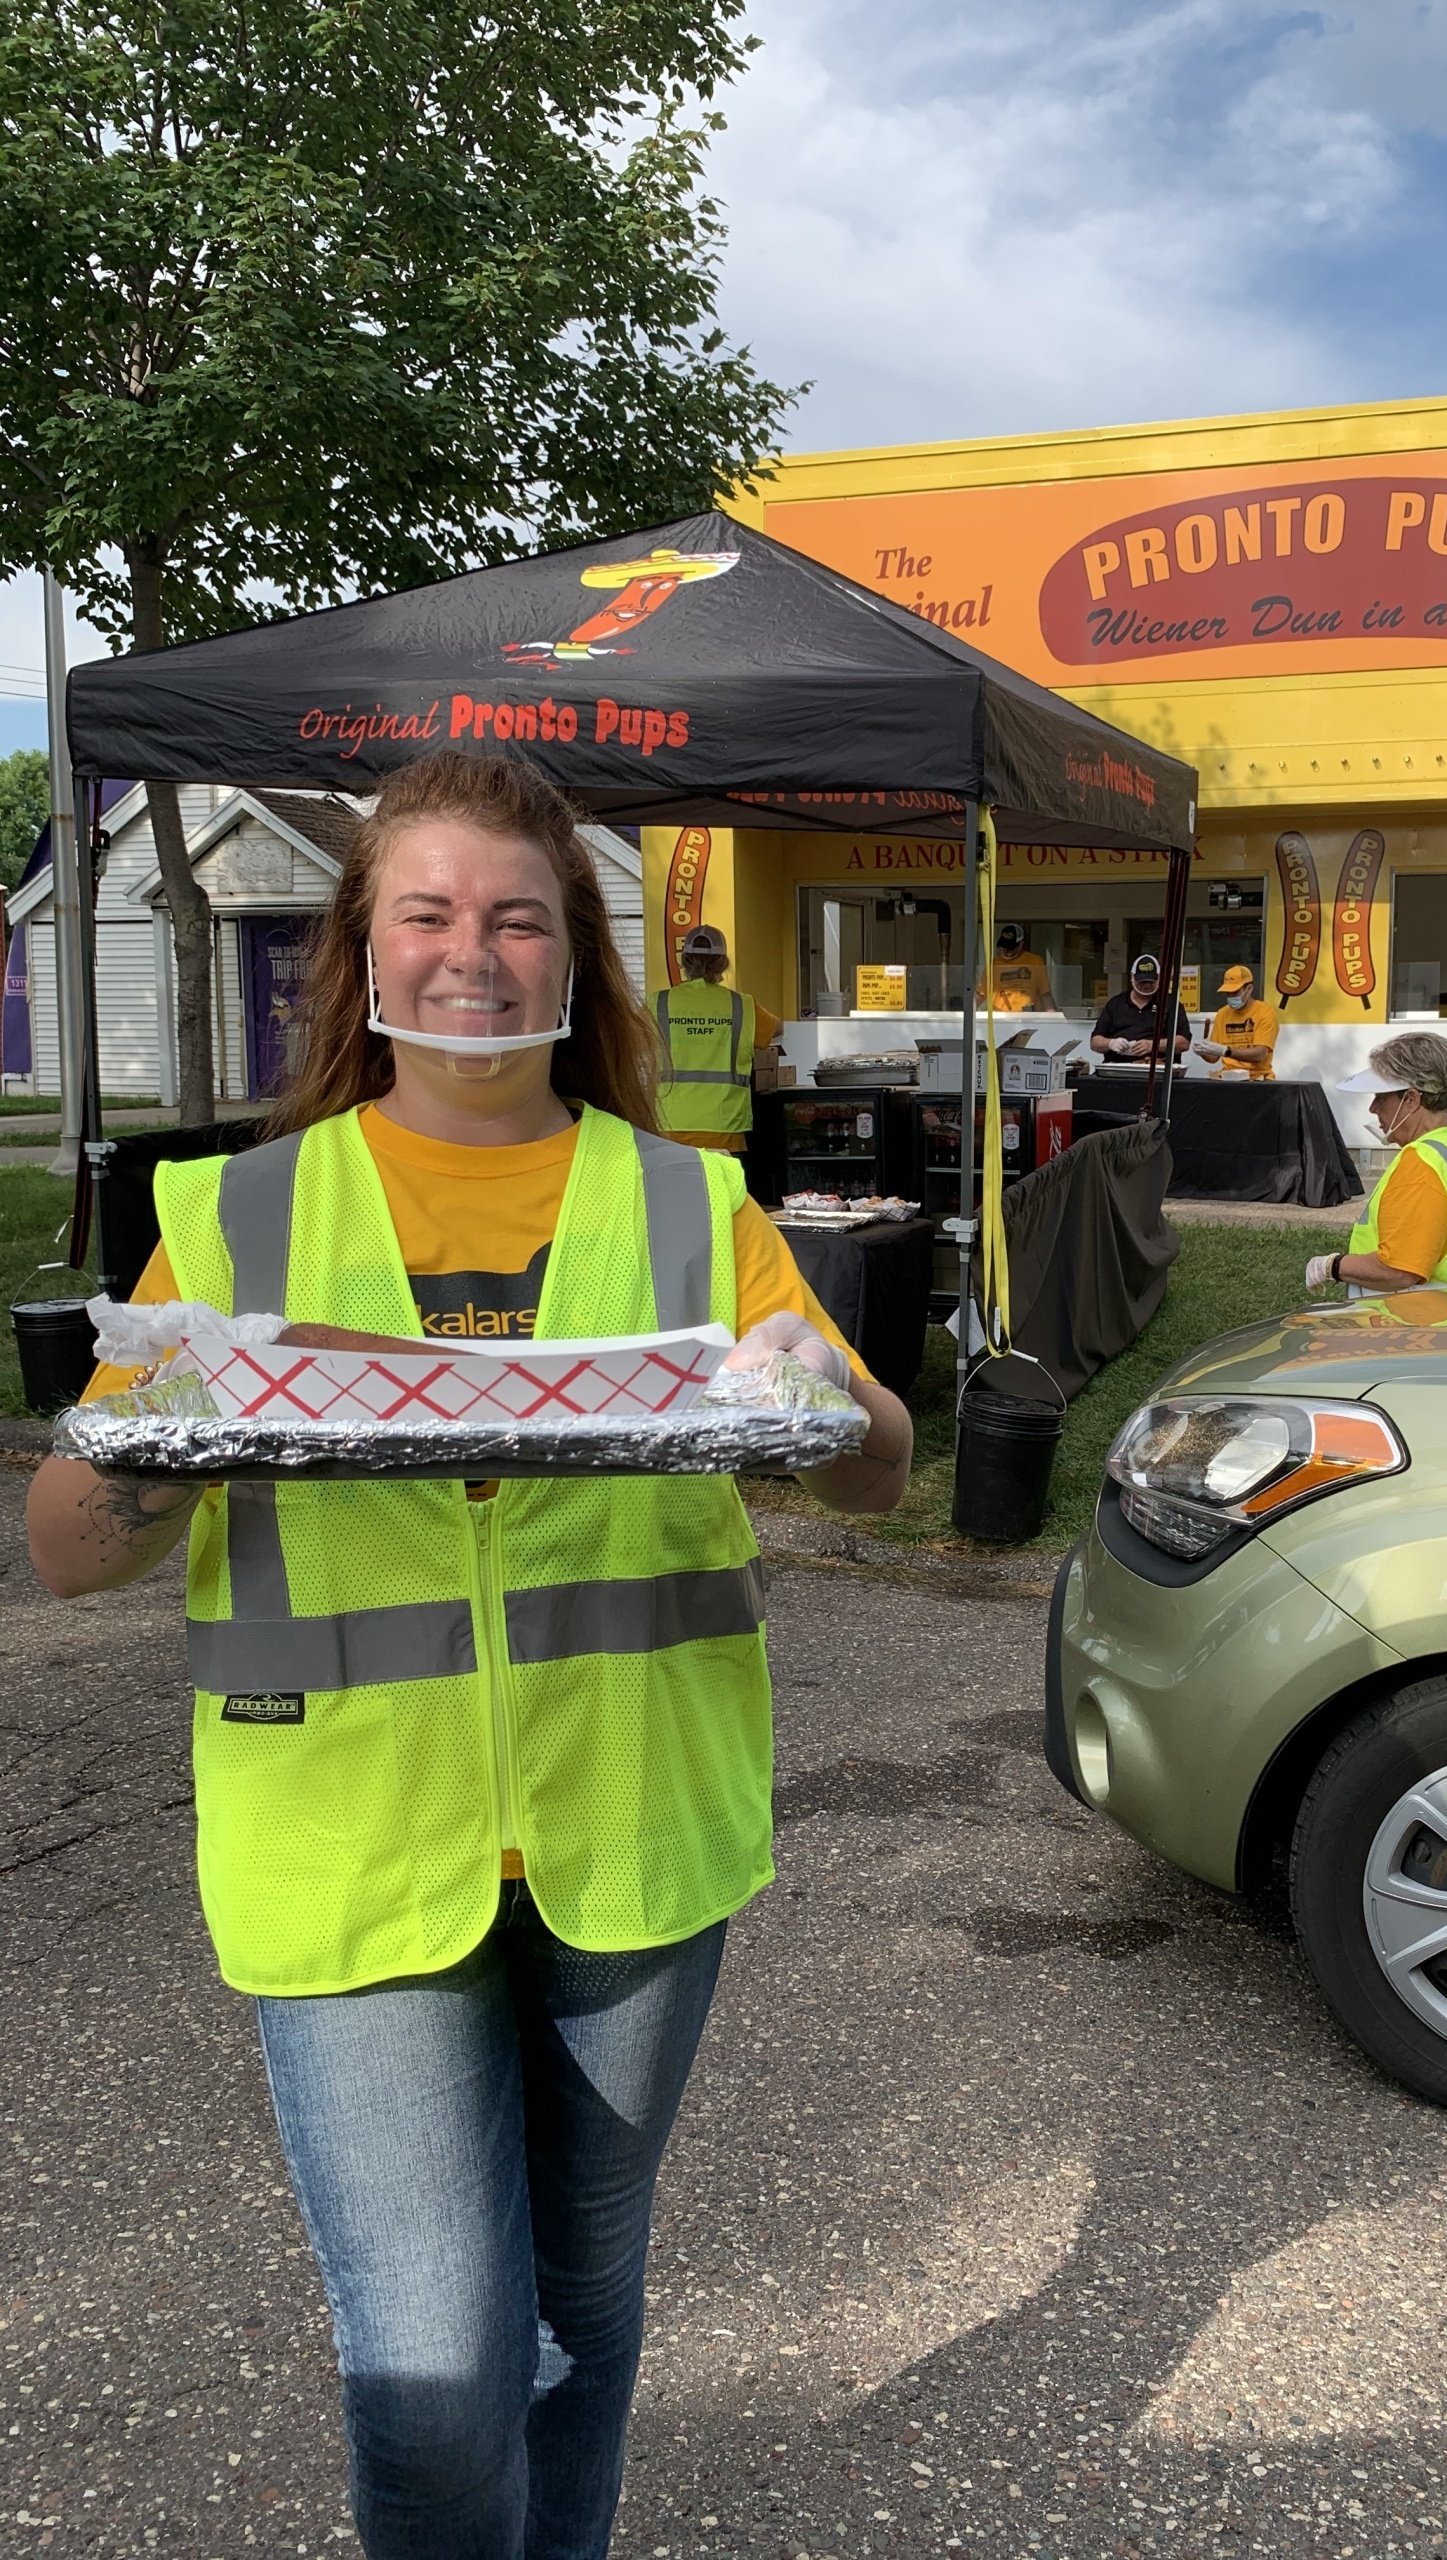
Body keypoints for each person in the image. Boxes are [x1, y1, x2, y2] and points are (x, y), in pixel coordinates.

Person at [25, 750, 913, 2560]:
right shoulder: (239, 1218)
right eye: (427, 913)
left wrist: (818, 1406)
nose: (472, 954)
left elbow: (881, 1470)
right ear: (366, 950)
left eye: (516, 918)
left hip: (635, 1837)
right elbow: (67, 1547)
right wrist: (164, 1450)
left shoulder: (691, 1207)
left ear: (572, 954)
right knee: (436, 2370)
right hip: (350, 1845)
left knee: (584, 2312)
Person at [1305, 1030, 1447, 1295]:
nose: (1373, 1108)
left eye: (1381, 1097)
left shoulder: (1420, 1163)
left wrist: (1332, 1266)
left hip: (1414, 1318)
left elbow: (1399, 1270)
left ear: (1411, 1100)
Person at [653, 921, 781, 1151]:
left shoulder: (657, 1003)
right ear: (723, 963)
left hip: (669, 1125)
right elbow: (777, 1029)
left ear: (684, 961)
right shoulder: (743, 1005)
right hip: (724, 1127)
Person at [1090, 952, 1191, 1061]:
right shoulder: (1115, 1004)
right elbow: (1095, 1042)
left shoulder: (1170, 1004)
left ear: (1159, 979)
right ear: (1132, 978)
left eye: (1151, 982)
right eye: (1141, 982)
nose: (1146, 986)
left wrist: (1154, 1045)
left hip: (1157, 1065)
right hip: (1118, 1066)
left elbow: (1184, 1043)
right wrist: (1110, 1043)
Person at [1197, 964, 1278, 1077]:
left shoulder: (1265, 1012)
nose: (1231, 996)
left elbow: (1259, 1054)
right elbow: (1214, 1057)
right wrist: (1203, 1050)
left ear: (1249, 989)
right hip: (1228, 1076)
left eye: (1235, 992)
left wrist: (1226, 1051)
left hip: (1257, 1078)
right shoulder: (1222, 1013)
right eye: (1227, 993)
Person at [986, 920, 1053, 1012]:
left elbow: (1045, 993)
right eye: (1004, 946)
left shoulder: (1035, 961)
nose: (1007, 951)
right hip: (1000, 1015)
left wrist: (1053, 1016)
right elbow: (981, 994)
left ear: (1021, 945)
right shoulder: (994, 964)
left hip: (1027, 1015)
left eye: (1011, 948)